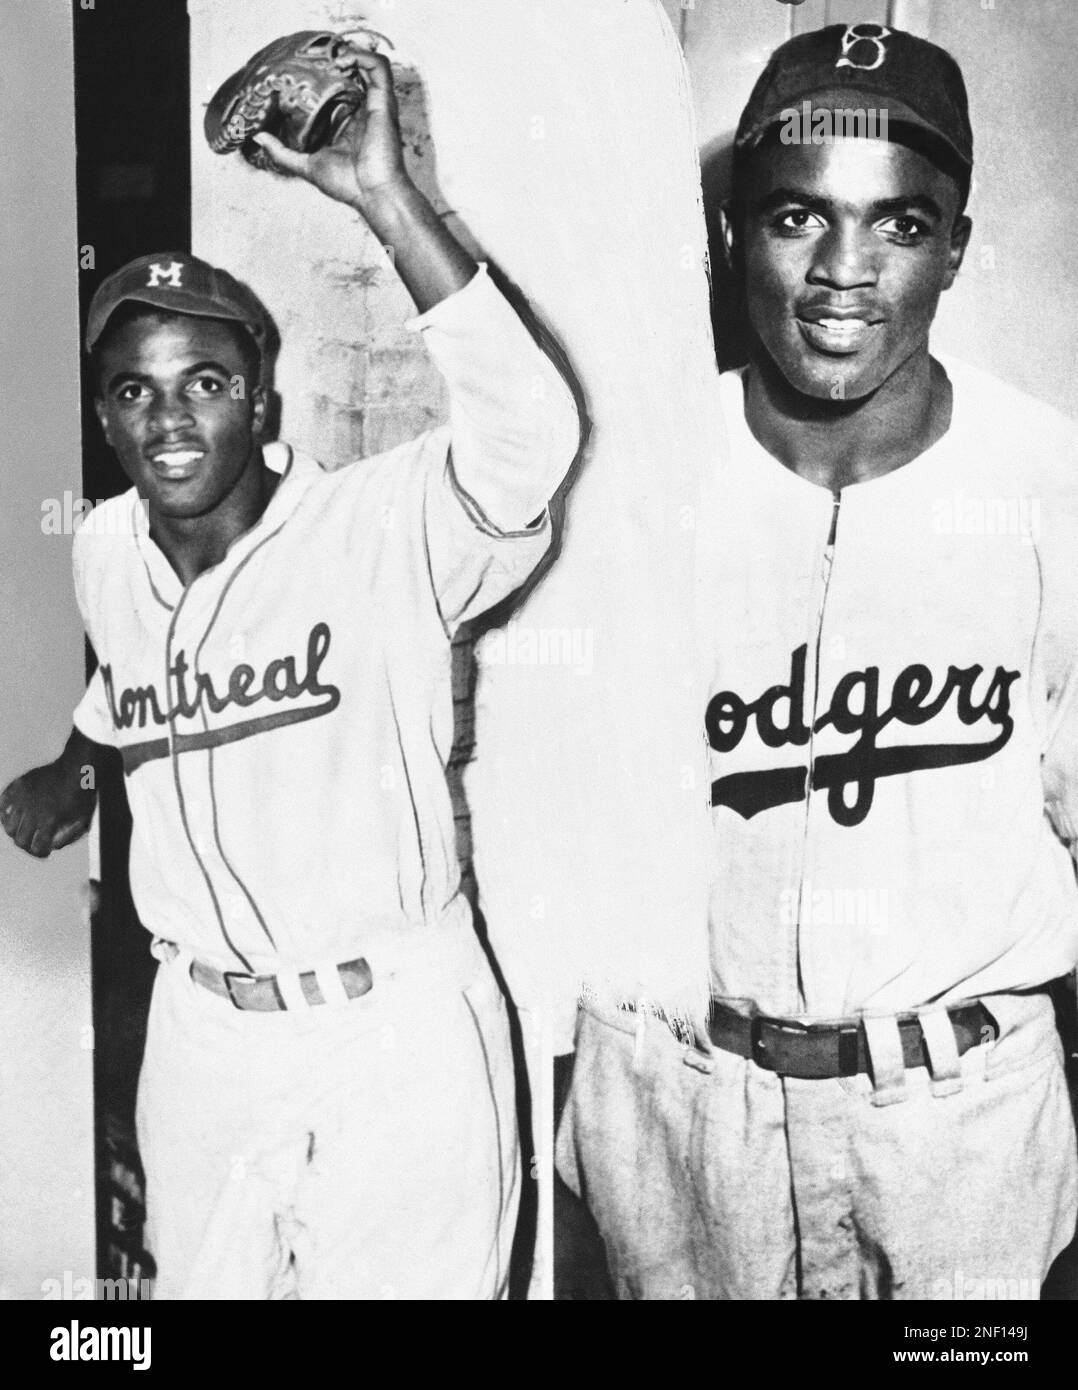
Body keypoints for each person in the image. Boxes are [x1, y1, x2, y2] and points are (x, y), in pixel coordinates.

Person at [2, 49, 579, 1299]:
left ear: (261, 397)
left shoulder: (382, 529)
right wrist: (80, 756)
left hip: (391, 1029)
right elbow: (143, 672)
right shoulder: (105, 549)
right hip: (201, 1036)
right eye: (134, 391)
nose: (169, 419)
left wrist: (383, 197)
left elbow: (531, 439)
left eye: (205, 383)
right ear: (103, 421)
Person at [556, 22, 1078, 1300]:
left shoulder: (1047, 480)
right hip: (681, 1116)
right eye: (797, 217)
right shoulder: (619, 479)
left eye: (898, 226)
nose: (842, 273)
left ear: (955, 243)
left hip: (956, 1126)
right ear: (733, 229)